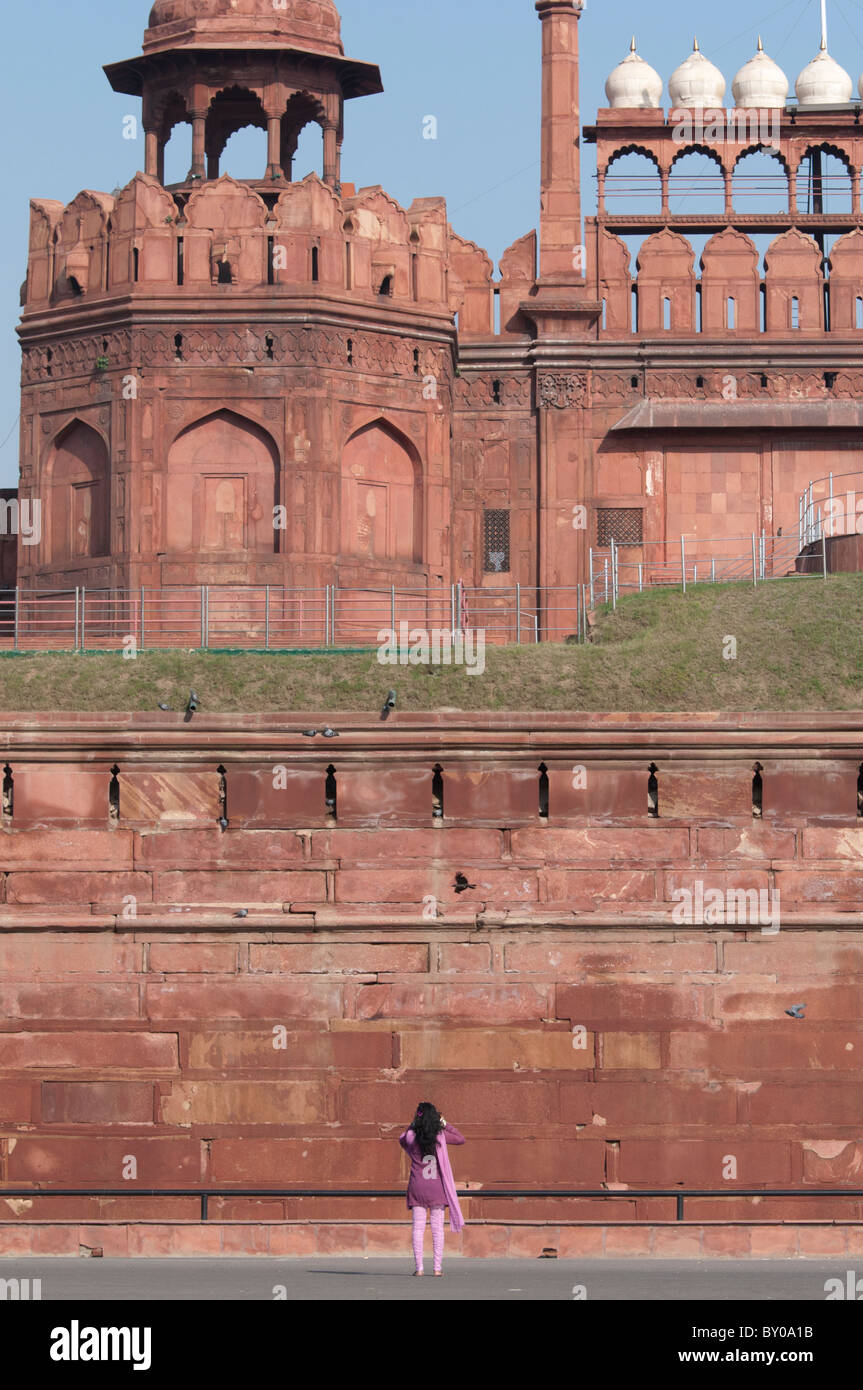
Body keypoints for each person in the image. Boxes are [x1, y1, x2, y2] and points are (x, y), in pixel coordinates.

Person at [398, 1101, 465, 1277]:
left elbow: (402, 1139)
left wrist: (413, 1124)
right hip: (437, 1188)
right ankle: (437, 1268)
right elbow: (460, 1139)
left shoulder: (412, 1136)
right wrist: (444, 1123)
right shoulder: (441, 1136)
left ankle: (419, 1268)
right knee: (437, 1229)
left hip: (417, 1186)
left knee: (418, 1228)